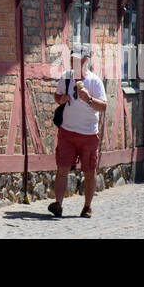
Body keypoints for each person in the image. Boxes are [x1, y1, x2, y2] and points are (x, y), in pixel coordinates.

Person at [48, 47, 107, 219]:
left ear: (85, 61)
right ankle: (58, 204)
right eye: (72, 59)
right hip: (67, 131)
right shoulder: (66, 77)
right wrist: (61, 99)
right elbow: (57, 96)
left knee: (89, 170)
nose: (73, 63)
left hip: (88, 134)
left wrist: (88, 99)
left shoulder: (94, 81)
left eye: (77, 60)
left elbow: (103, 107)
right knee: (62, 168)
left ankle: (87, 207)